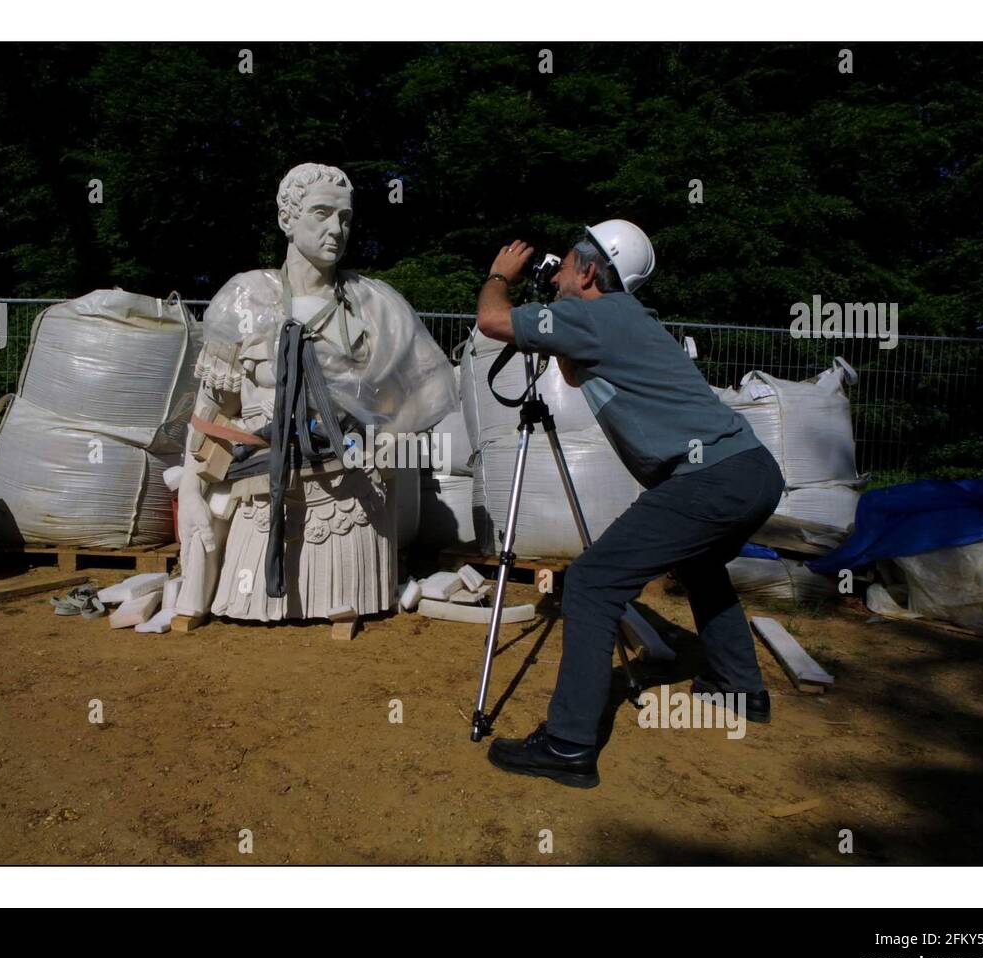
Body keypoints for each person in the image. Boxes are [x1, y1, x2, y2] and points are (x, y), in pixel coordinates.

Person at [474, 221, 785, 789]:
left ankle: (568, 746)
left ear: (590, 270)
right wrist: (553, 301)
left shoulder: (599, 315)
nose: (559, 270)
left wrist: (501, 275)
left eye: (566, 263)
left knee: (592, 583)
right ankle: (740, 688)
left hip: (709, 478)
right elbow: (571, 366)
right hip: (751, 472)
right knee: (700, 566)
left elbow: (492, 321)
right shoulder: (619, 319)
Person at [173, 163, 457, 625]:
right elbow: (212, 414)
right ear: (287, 218)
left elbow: (423, 392)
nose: (336, 229)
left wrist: (387, 439)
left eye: (345, 218)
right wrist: (190, 490)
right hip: (264, 492)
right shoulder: (246, 299)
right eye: (321, 214)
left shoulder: (375, 303)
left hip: (351, 499)